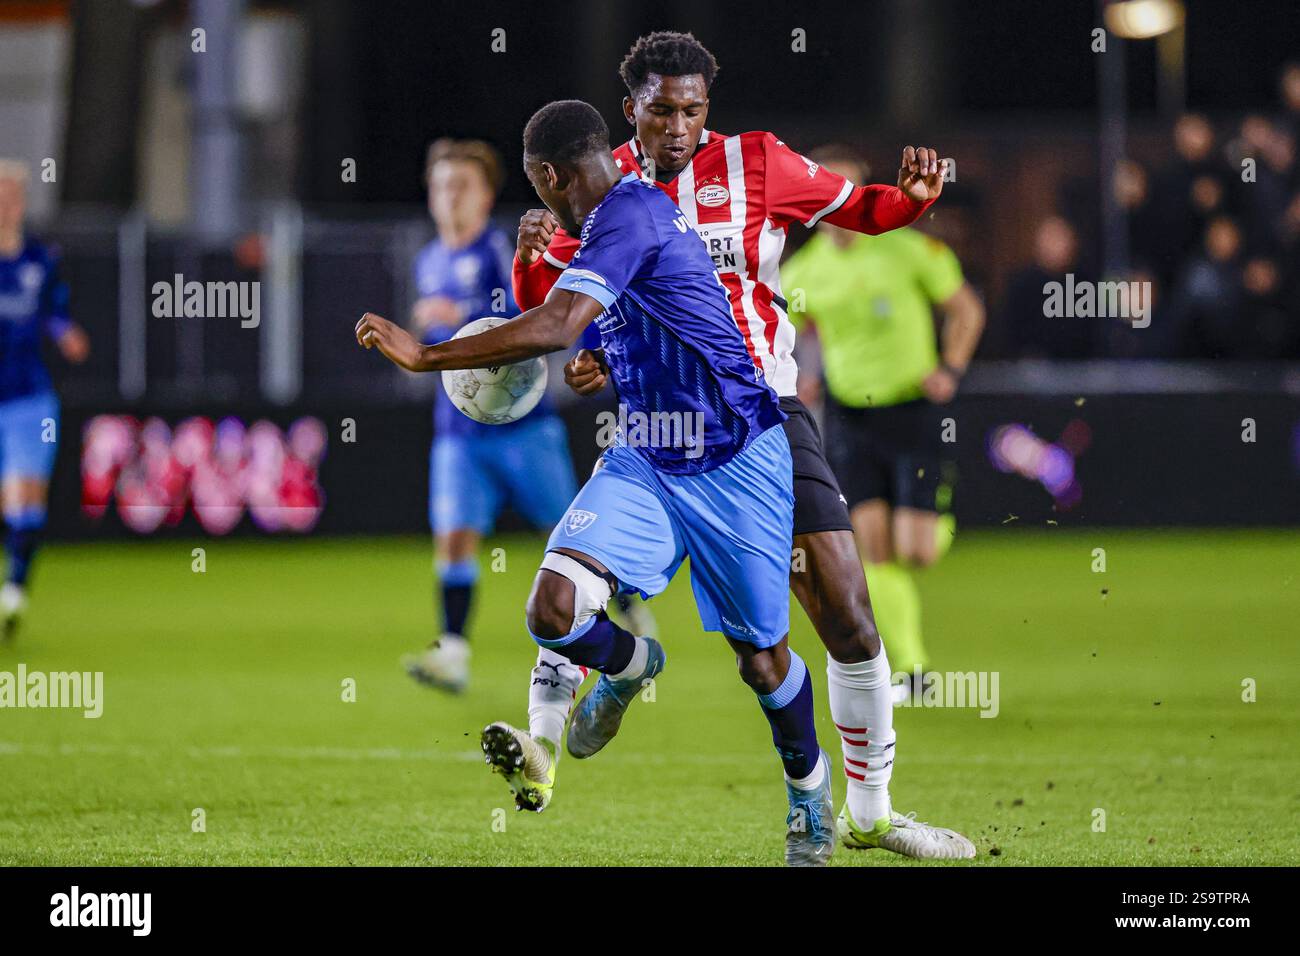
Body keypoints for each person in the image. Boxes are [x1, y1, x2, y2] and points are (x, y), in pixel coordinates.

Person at [508, 31, 974, 858]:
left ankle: (869, 816)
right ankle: (589, 682)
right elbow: (561, 302)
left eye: (692, 110)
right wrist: (578, 339)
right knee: (592, 593)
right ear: (632, 114)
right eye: (661, 112)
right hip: (658, 424)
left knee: (847, 618)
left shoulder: (759, 164)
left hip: (766, 417)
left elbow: (859, 212)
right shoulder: (600, 183)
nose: (678, 127)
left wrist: (911, 201)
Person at [357, 100, 834, 865]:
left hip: (738, 458)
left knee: (764, 661)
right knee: (551, 607)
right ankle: (635, 665)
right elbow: (623, 319)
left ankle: (810, 798)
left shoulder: (631, 216)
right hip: (646, 452)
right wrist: (606, 364)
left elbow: (551, 324)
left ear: (548, 175)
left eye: (535, 186)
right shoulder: (609, 225)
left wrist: (427, 355)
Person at [782, 145, 985, 696]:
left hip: (913, 411)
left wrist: (950, 368)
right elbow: (792, 331)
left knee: (916, 549)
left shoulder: (909, 249)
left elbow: (967, 308)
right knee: (873, 550)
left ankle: (937, 519)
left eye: (850, 189)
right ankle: (914, 672)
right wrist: (806, 374)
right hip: (850, 416)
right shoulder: (802, 270)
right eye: (830, 189)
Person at [400, 139, 582, 692]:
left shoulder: (503, 252)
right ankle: (452, 651)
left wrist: (466, 314)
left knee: (572, 537)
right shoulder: (429, 259)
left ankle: (623, 612)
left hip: (524, 429)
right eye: (441, 186)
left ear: (485, 197)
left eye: (462, 186)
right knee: (453, 537)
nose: (450, 197)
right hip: (458, 431)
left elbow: (531, 316)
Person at [0, 159, 90, 638]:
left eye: (12, 197)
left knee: (26, 496)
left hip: (28, 399)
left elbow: (55, 312)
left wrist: (65, 331)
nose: (6, 205)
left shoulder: (39, 260)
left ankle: (14, 590)